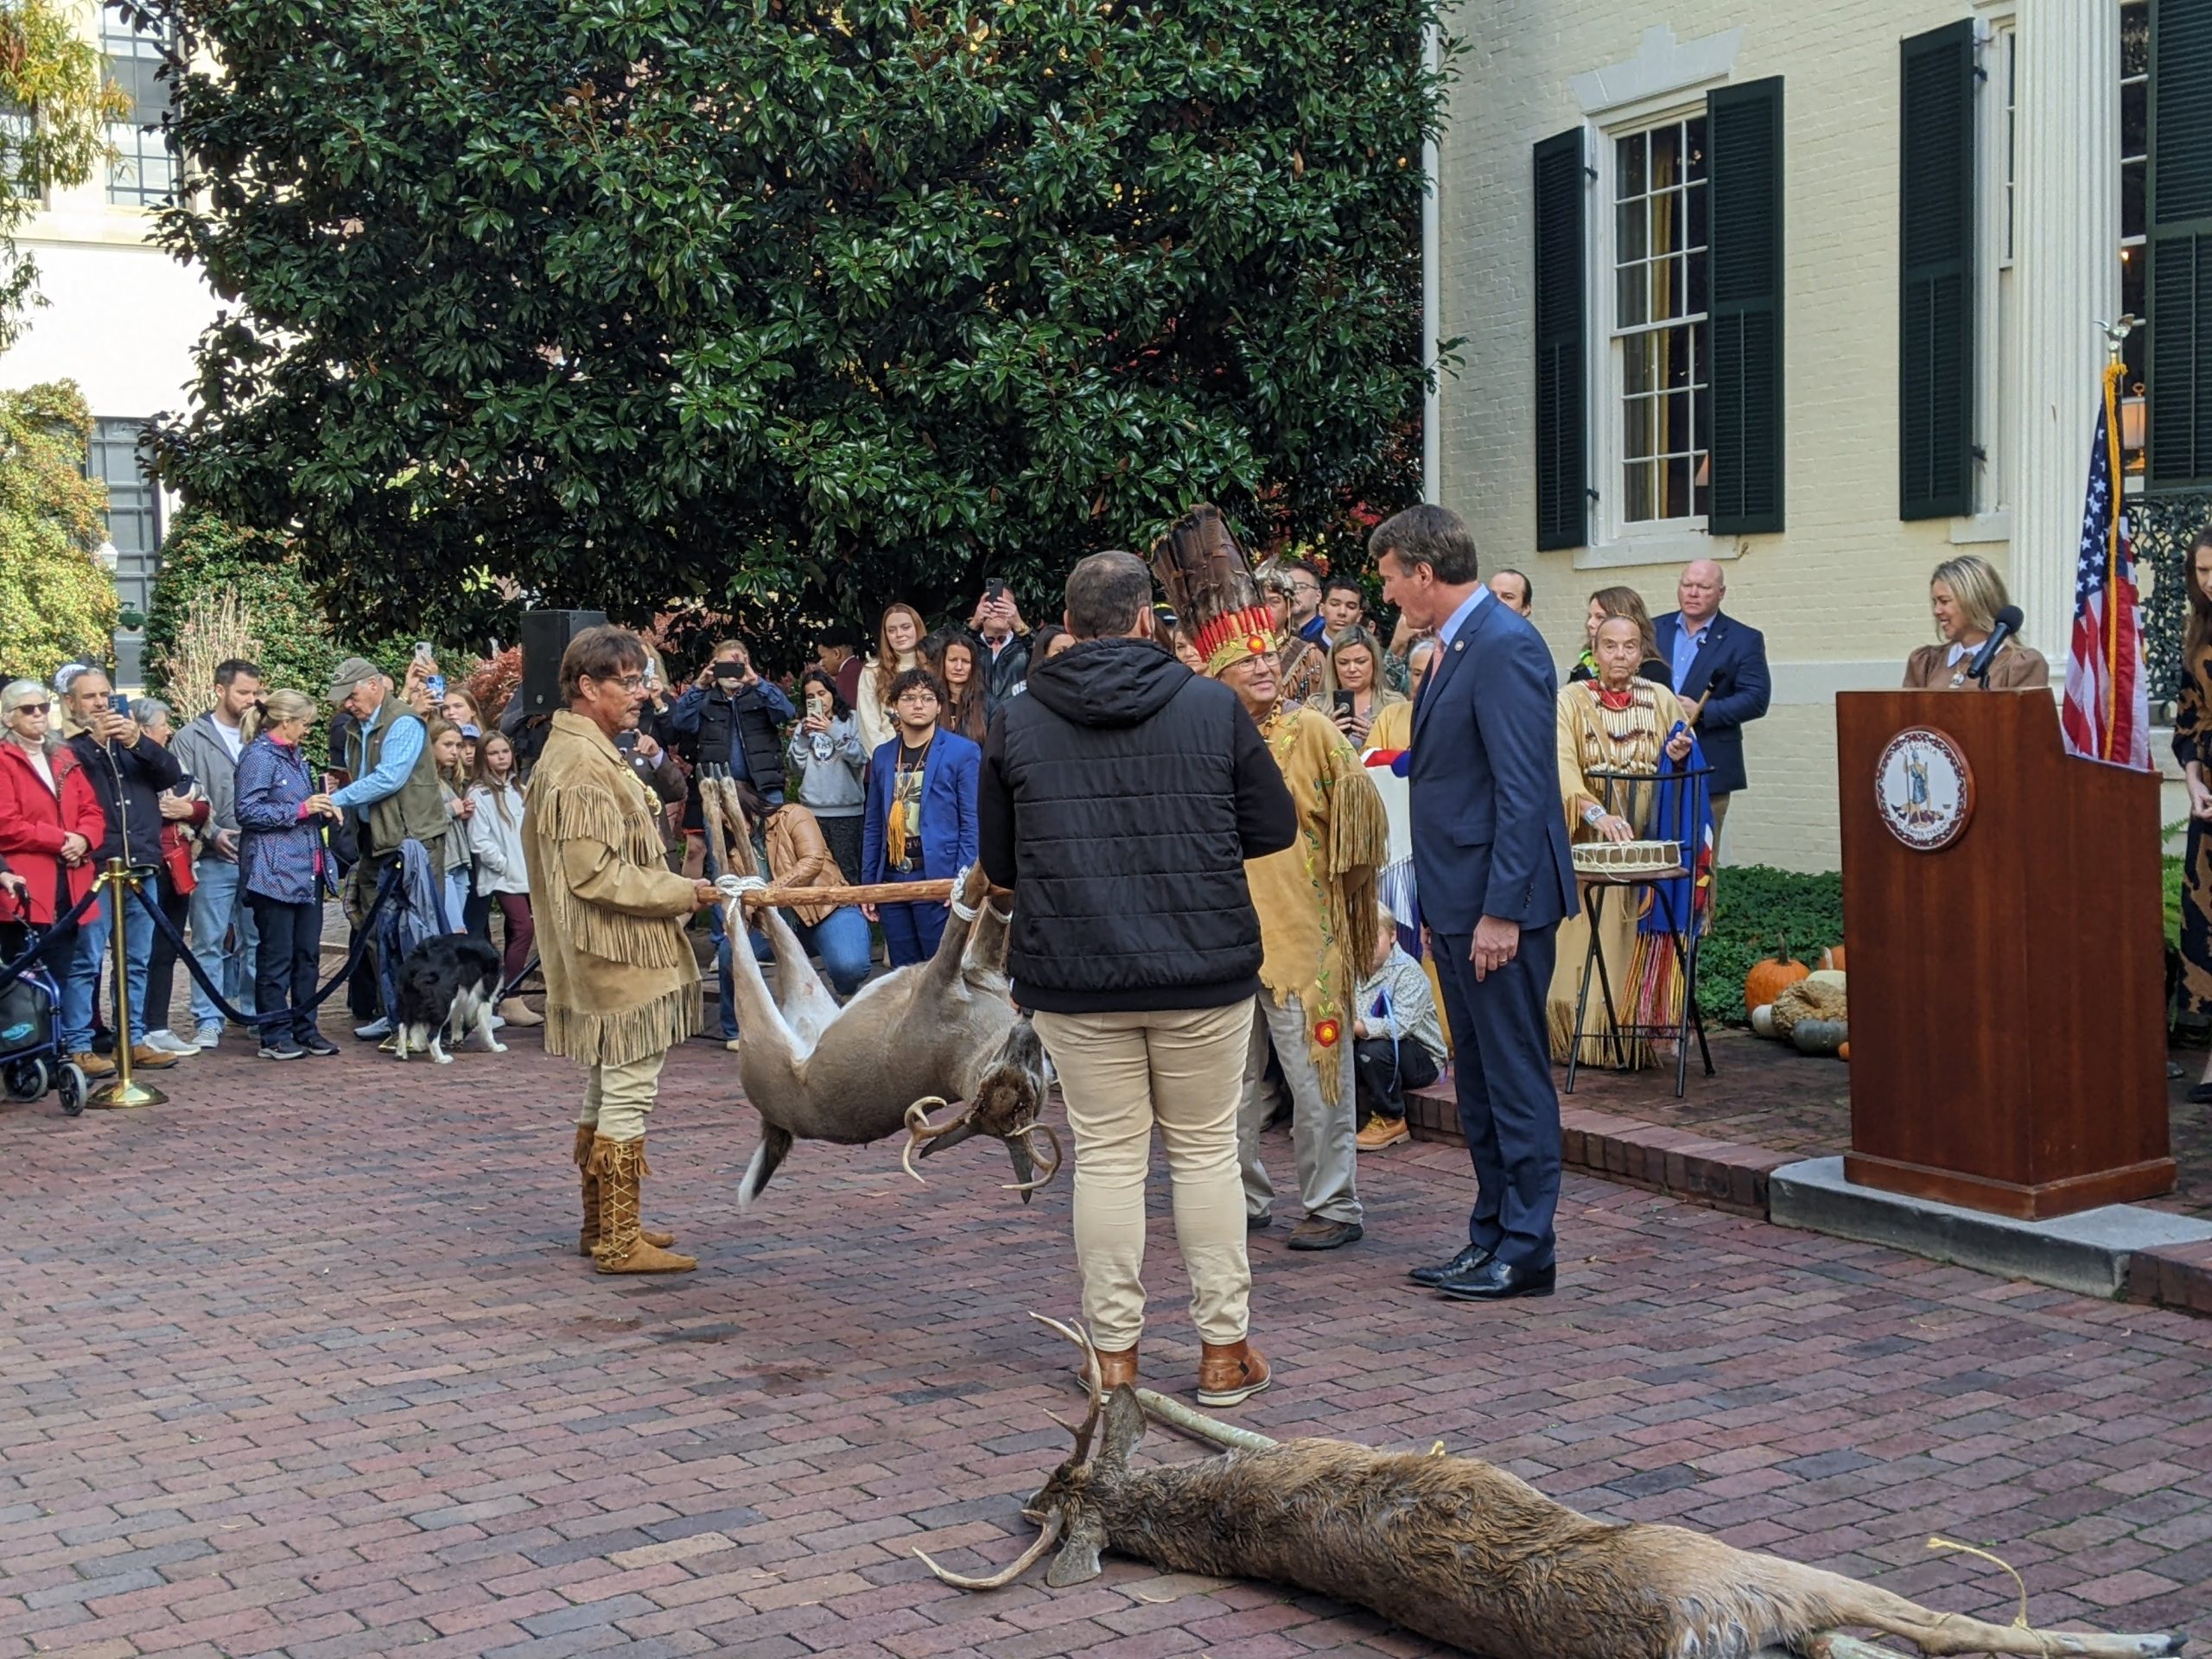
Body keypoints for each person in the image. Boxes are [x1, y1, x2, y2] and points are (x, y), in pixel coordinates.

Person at [979, 537, 1297, 1405]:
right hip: (1201, 964)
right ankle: (1222, 1350)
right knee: (1203, 1154)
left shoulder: (1018, 720)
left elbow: (999, 866)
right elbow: (1273, 827)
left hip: (1076, 974)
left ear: (1069, 624)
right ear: (1147, 622)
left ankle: (1114, 1356)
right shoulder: (1210, 706)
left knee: (1110, 1159)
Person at [1373, 504, 1576, 1303]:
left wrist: (1502, 911)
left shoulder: (1505, 644)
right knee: (1481, 1081)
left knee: (1514, 1077)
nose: (1387, 595)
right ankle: (1490, 1232)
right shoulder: (1459, 644)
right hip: (1457, 900)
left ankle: (1528, 1247)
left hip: (1497, 908)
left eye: (1391, 579)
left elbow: (1524, 790)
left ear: (1424, 573)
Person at [522, 624, 719, 1274]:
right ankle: (617, 1240)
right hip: (616, 952)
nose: (642, 693)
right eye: (629, 682)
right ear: (587, 686)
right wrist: (684, 891)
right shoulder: (580, 762)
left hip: (607, 950)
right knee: (628, 1087)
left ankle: (602, 1224)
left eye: (642, 680)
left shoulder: (581, 750)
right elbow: (595, 875)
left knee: (608, 1084)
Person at [1210, 610, 1388, 1254]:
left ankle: (1333, 1203)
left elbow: (1362, 818)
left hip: (1303, 939)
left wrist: (1334, 904)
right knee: (1228, 1089)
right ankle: (1240, 1198)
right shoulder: (1208, 735)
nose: (1264, 667)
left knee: (1317, 1079)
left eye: (1268, 657)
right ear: (1217, 674)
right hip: (1225, 941)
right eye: (1246, 660)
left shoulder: (1310, 729)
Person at [1548, 616, 1696, 1066]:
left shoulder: (1661, 698)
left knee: (1631, 940)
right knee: (1584, 943)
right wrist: (1595, 812)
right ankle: (1580, 1038)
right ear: (1594, 651)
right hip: (1589, 841)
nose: (1620, 655)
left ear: (1642, 652)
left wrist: (1678, 755)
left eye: (1630, 646)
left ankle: (1631, 1035)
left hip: (1646, 840)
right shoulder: (1570, 700)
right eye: (1610, 646)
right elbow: (1560, 764)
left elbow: (1683, 755)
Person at [60, 668, 182, 1074]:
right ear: (71, 704)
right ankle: (78, 1044)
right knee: (86, 960)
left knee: (136, 960)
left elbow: (171, 774)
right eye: (89, 697)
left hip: (140, 867)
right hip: (96, 871)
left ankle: (132, 1040)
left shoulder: (134, 743)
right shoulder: (68, 750)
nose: (100, 703)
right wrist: (98, 743)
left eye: (104, 694)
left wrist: (137, 741)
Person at [328, 658, 451, 1039]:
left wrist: (336, 800)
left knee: (419, 931)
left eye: (351, 695)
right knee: (375, 931)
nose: (347, 704)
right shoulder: (356, 728)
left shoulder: (403, 722)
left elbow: (389, 778)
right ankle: (394, 1012)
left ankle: (429, 1020)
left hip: (412, 841)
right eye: (344, 698)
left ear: (374, 685)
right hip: (374, 840)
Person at [0, 681, 104, 1068]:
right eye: (27, 709)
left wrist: (84, 839)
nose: (38, 714)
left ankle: (62, 1051)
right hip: (27, 883)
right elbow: (6, 823)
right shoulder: (4, 759)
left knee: (66, 969)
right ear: (8, 717)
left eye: (43, 706)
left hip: (72, 880)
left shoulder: (63, 756)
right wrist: (61, 839)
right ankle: (25, 1056)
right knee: (23, 977)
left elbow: (92, 810)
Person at [234, 690, 341, 1059]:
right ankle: (275, 1032)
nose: (307, 730)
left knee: (307, 955)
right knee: (276, 956)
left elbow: (300, 809)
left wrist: (321, 809)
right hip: (273, 871)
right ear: (285, 721)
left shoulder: (297, 757)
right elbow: (247, 811)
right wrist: (299, 809)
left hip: (307, 869)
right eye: (304, 723)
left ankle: (305, 1027)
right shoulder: (259, 756)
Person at [171, 658, 263, 1048]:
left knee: (258, 938)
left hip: (259, 853)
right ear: (220, 690)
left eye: (256, 692)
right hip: (212, 856)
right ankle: (208, 1018)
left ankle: (256, 1013)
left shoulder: (261, 732)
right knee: (208, 940)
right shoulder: (189, 738)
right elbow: (184, 792)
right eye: (243, 692)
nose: (251, 699)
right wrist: (211, 833)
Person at [860, 668, 978, 967]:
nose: (918, 704)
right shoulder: (883, 755)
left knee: (941, 971)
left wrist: (962, 879)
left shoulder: (962, 752)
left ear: (939, 706)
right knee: (903, 972)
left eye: (927, 698)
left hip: (939, 877)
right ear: (894, 705)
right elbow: (873, 824)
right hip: (892, 877)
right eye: (908, 697)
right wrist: (868, 884)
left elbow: (972, 823)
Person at [1655, 560, 1770, 846]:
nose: (1693, 593)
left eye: (1703, 587)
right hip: (1652, 762)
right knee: (1654, 853)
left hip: (1708, 763)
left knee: (1701, 857)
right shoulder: (1654, 629)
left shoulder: (1743, 639)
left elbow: (1756, 699)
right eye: (1687, 585)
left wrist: (1702, 711)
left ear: (1721, 593)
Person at [727, 779, 873, 996]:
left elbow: (812, 862)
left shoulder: (793, 815)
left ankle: (846, 994)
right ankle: (734, 1019)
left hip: (828, 910)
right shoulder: (731, 850)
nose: (732, 827)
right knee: (727, 955)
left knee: (849, 966)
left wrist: (764, 894)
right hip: (775, 924)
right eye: (726, 823)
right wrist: (742, 914)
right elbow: (734, 893)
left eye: (734, 818)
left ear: (751, 807)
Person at [134, 698, 212, 1056]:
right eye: (163, 724)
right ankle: (133, 1029)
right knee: (138, 952)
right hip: (143, 865)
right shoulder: (126, 763)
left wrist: (188, 808)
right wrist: (168, 809)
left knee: (167, 949)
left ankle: (158, 1025)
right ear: (143, 729)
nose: (169, 730)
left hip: (177, 865)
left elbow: (201, 803)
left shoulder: (172, 762)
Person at [1351, 906, 1447, 1150]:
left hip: (1420, 1057)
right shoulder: (1351, 968)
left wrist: (1354, 1026)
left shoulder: (1408, 971)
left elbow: (1400, 1027)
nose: (1365, 945)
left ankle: (1391, 1118)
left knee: (1374, 1050)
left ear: (1393, 935)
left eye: (1373, 936)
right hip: (1369, 1046)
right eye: (1358, 937)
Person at [2172, 528, 2212, 1101]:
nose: (2209, 581)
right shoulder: (2198, 631)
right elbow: (2189, 722)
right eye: (2202, 571)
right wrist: (2193, 781)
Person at [468, 728, 540, 1028]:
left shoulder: (518, 789)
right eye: (494, 753)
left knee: (517, 930)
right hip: (501, 875)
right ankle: (510, 995)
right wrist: (503, 864)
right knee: (524, 927)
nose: (501, 758)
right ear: (484, 757)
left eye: (505, 752)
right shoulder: (479, 793)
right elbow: (480, 840)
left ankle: (508, 992)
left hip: (526, 872)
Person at [1904, 555, 2050, 690]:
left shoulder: (2020, 664)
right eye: (1935, 602)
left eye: (1945, 601)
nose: (1937, 611)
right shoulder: (1925, 663)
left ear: (1976, 601)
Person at [788, 667, 868, 887]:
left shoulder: (852, 720)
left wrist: (831, 730)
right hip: (812, 811)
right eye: (810, 696)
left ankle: (854, 909)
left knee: (848, 873)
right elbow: (796, 769)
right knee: (817, 874)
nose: (818, 700)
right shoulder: (804, 726)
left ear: (833, 693)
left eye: (822, 693)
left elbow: (860, 757)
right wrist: (802, 738)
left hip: (847, 811)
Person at [1567, 588, 1672, 690]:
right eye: (1590, 616)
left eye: (1600, 617)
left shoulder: (1653, 673)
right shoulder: (1582, 671)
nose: (1590, 623)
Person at [855, 602, 925, 755]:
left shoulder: (935, 666)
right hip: (889, 755)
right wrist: (884, 759)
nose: (899, 634)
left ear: (917, 628)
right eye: (892, 630)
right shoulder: (873, 671)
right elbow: (868, 724)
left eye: (905, 627)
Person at [426, 717, 474, 931]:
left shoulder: (446, 779)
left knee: (455, 930)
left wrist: (460, 815)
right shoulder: (425, 780)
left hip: (459, 860)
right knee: (456, 931)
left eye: (458, 745)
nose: (455, 752)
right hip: (442, 863)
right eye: (447, 745)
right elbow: (422, 820)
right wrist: (452, 810)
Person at [1328, 626, 1404, 749]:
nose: (1352, 669)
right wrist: (1325, 735)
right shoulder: (1315, 706)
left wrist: (1377, 739)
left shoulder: (1395, 705)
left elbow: (1404, 753)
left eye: (1361, 661)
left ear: (1374, 662)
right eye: (1343, 662)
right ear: (1333, 665)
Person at [969, 583, 1032, 715]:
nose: (998, 610)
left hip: (1017, 719)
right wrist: (974, 624)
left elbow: (1046, 659)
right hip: (975, 719)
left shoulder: (1026, 646)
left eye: (1004, 605)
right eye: (993, 603)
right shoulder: (969, 644)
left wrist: (1020, 625)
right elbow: (948, 655)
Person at [1367, 637, 1434, 753]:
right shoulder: (1391, 714)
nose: (1423, 682)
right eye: (1417, 674)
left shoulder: (1458, 717)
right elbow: (1371, 757)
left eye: (1431, 674)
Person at [937, 632, 990, 744]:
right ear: (943, 662)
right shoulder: (932, 701)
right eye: (953, 660)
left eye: (965, 661)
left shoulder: (989, 705)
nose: (958, 667)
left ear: (973, 666)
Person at [1319, 576, 1366, 645]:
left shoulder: (1367, 650)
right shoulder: (1306, 647)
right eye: (1335, 604)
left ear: (1359, 615)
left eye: (1351, 607)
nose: (1342, 612)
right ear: (1321, 609)